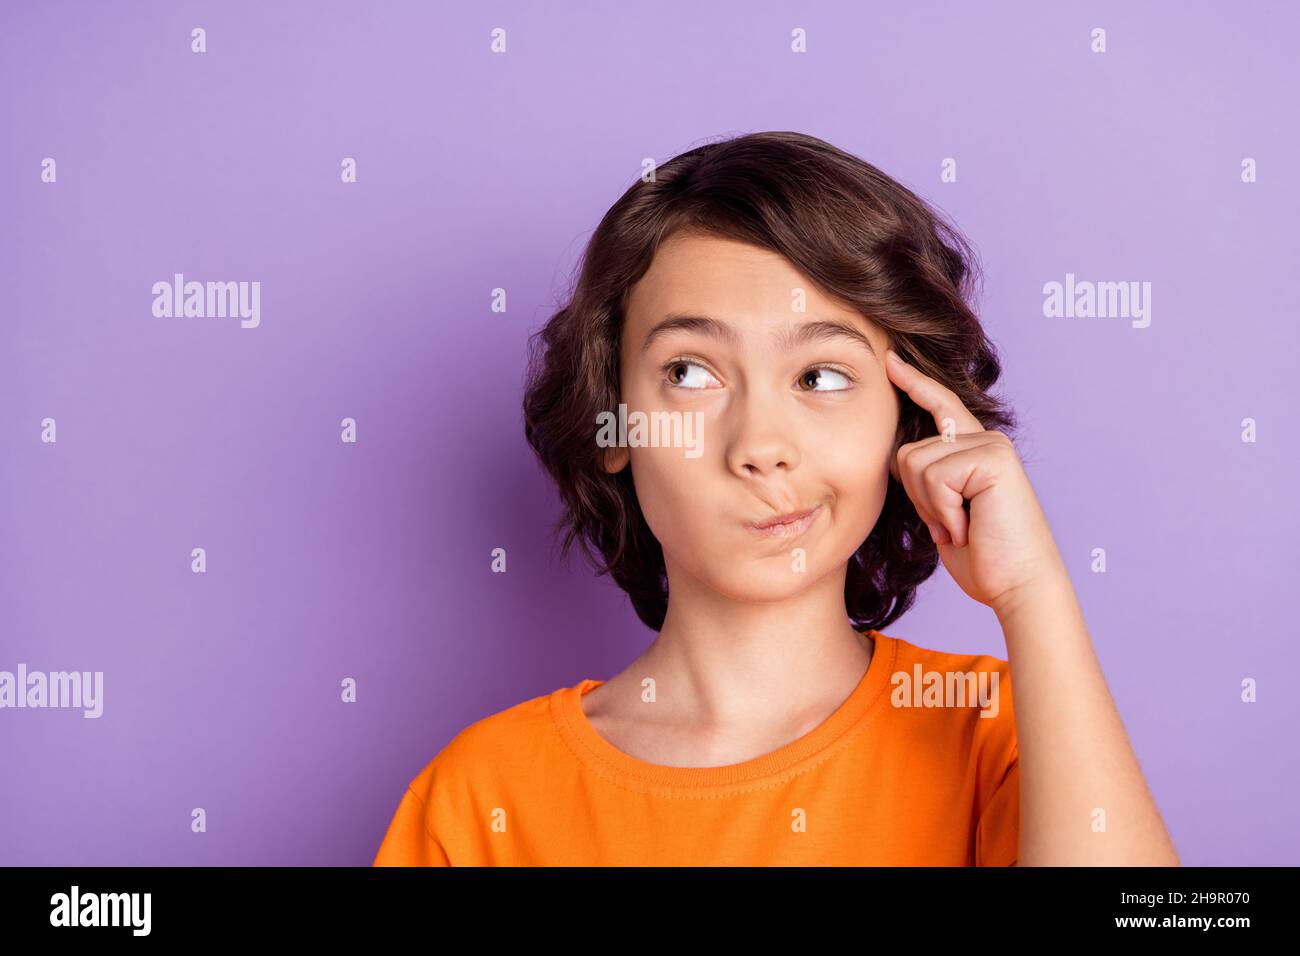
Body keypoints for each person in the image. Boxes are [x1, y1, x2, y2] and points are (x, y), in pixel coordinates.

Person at [373, 131, 1179, 866]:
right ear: (612, 424)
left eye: (821, 377)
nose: (759, 445)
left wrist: (1034, 593)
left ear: (907, 425)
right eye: (690, 373)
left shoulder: (1003, 733)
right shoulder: (482, 799)